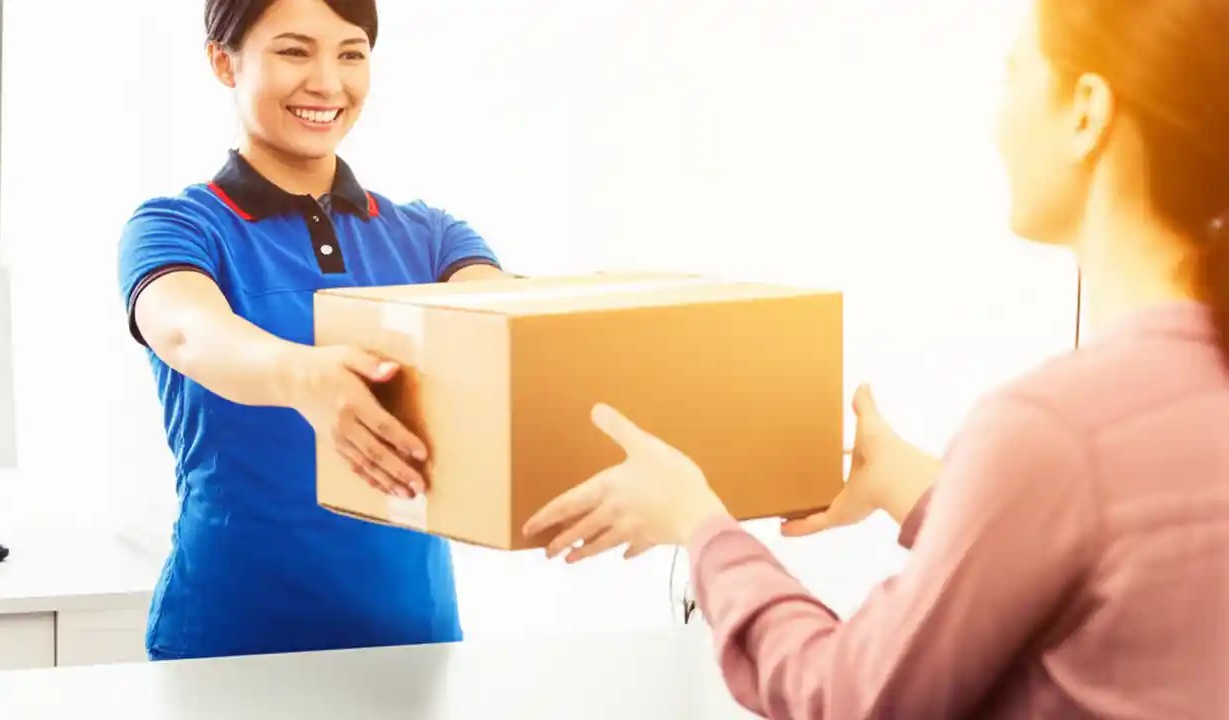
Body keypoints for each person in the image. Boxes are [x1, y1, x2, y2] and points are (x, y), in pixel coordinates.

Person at [524, 0, 1229, 716]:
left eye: (1012, 75)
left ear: (1085, 111)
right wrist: (916, 488)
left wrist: (699, 527)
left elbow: (848, 697)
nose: (997, 119)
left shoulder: (1055, 429)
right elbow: (1103, 571)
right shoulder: (1173, 400)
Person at [118, 0, 507, 661]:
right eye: (295, 51)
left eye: (351, 53)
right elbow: (188, 332)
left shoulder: (435, 237)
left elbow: (511, 336)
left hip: (416, 643)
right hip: (230, 645)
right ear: (223, 60)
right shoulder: (178, 227)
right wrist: (304, 376)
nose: (327, 82)